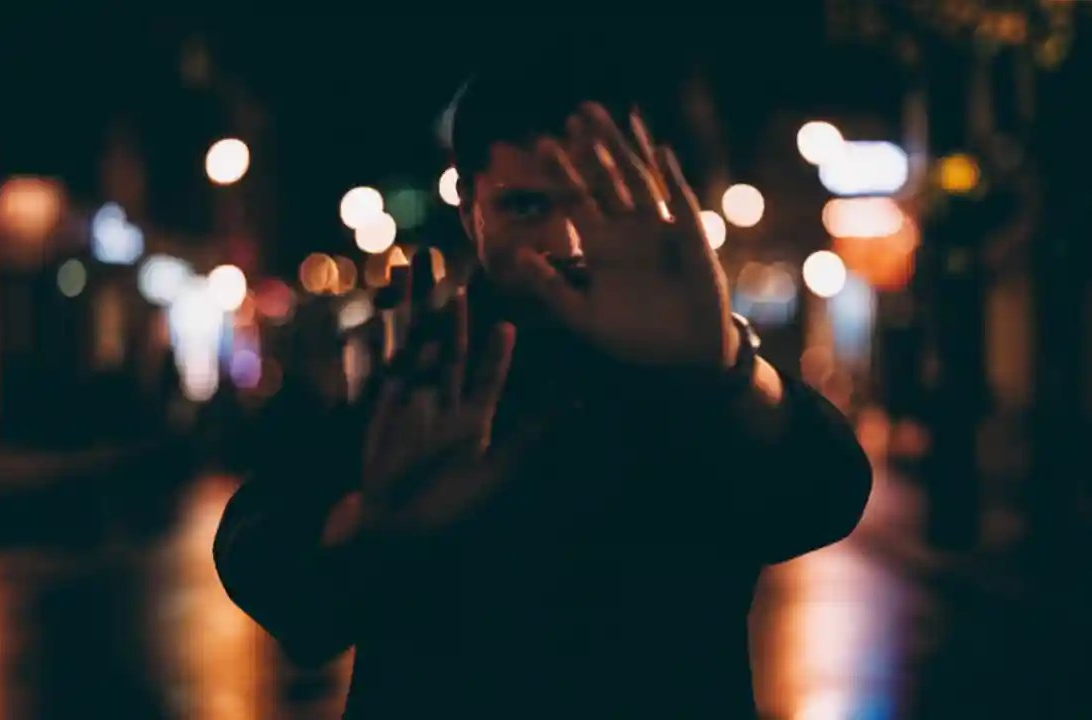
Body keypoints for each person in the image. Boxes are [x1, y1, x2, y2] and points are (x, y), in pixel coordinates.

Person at [214, 63, 872, 718]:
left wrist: (725, 369)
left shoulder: (689, 373)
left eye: (595, 200)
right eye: (526, 205)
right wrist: (369, 525)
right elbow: (270, 567)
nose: (565, 238)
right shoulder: (421, 362)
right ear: (470, 207)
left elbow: (824, 497)